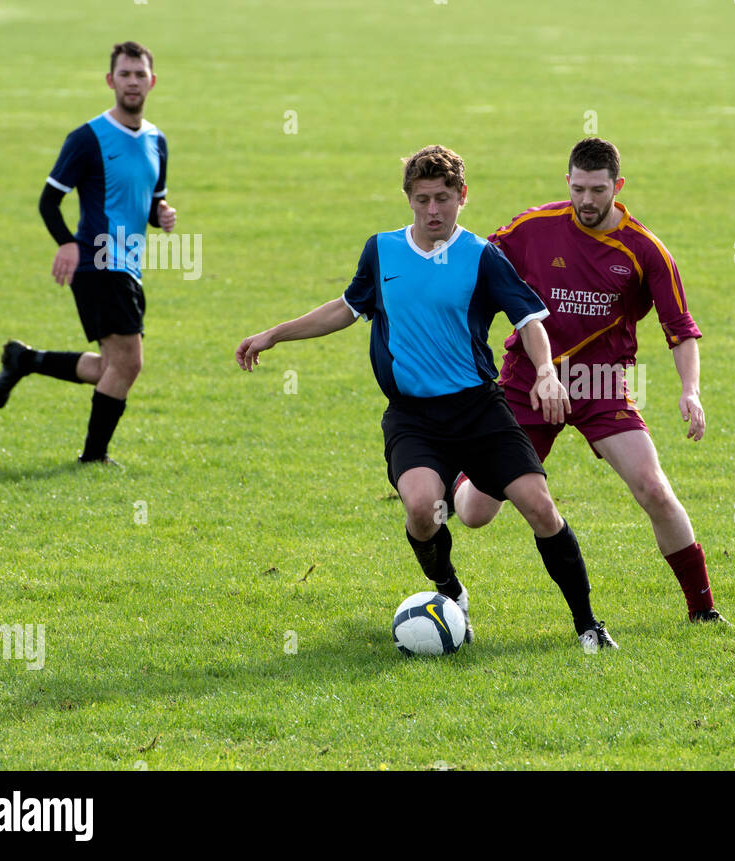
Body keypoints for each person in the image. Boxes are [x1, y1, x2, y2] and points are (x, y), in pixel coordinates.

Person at [234, 145, 618, 653]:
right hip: (415, 417)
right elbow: (347, 309)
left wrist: (546, 373)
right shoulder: (382, 250)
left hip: (481, 409)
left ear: (463, 196)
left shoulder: (481, 255)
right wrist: (275, 334)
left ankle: (588, 625)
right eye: (421, 200)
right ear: (408, 199)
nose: (433, 210)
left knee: (540, 507)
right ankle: (449, 591)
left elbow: (530, 321)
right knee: (421, 509)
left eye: (443, 198)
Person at [453, 138, 731, 625]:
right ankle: (456, 466)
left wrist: (690, 390)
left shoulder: (645, 250)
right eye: (578, 188)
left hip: (599, 383)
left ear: (617, 187)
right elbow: (474, 272)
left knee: (654, 488)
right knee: (476, 512)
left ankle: (702, 610)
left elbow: (681, 330)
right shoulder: (530, 228)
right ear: (567, 182)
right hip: (528, 384)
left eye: (597, 190)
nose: (586, 200)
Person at [0, 41, 176, 467]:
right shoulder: (87, 138)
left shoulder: (157, 141)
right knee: (129, 363)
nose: (132, 81)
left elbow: (151, 206)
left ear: (152, 81)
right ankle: (93, 458)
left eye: (139, 74)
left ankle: (24, 359)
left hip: (131, 265)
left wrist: (162, 215)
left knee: (110, 366)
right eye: (124, 74)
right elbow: (48, 201)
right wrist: (68, 243)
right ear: (111, 81)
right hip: (99, 261)